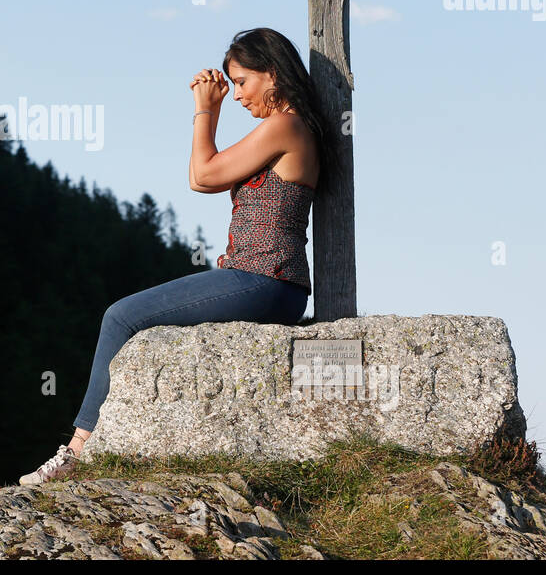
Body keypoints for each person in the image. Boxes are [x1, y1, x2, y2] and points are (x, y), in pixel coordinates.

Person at [19, 27, 340, 485]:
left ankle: (77, 451)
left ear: (273, 74)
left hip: (266, 278)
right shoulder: (288, 127)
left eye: (243, 82)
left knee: (120, 317)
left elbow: (202, 175)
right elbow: (203, 174)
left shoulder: (285, 125)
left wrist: (204, 109)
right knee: (125, 318)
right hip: (265, 280)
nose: (238, 96)